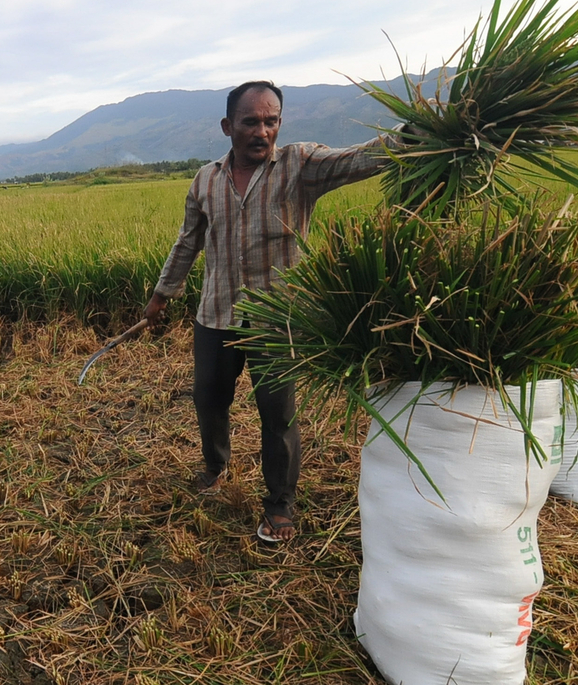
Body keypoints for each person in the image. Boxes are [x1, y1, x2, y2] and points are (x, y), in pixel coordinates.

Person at [144, 81, 394, 544]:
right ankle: (215, 467)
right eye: (251, 121)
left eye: (272, 120)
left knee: (277, 415)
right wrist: (162, 295)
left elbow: (362, 158)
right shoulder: (206, 179)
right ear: (227, 127)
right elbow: (187, 242)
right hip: (216, 314)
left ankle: (280, 503)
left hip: (276, 320)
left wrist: (419, 135)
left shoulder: (300, 164)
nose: (263, 131)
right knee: (209, 400)